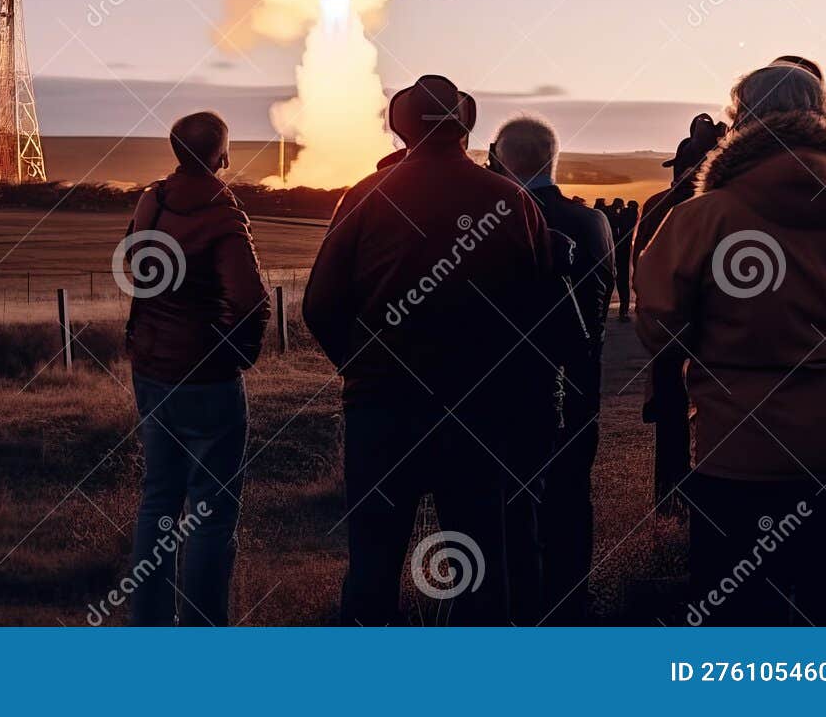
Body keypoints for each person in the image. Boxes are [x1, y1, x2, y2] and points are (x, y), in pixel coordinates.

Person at [634, 65, 826, 625]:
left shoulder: (700, 218)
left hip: (742, 445)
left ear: (739, 123)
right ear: (823, 117)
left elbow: (659, 326)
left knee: (737, 611)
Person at [304, 75, 553, 625]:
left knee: (373, 559)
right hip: (479, 409)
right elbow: (540, 309)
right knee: (480, 560)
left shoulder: (365, 196)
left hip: (383, 408)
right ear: (466, 128)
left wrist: (364, 366)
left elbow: (319, 306)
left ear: (402, 129)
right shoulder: (510, 199)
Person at [122, 110, 270, 626]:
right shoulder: (222, 213)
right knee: (210, 512)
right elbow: (249, 302)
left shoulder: (150, 200)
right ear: (220, 155)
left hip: (151, 368)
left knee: (159, 497)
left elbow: (134, 265)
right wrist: (235, 356)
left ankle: (150, 625)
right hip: (205, 378)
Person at [489, 115, 614, 623]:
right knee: (570, 495)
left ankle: (517, 604)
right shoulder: (591, 222)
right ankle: (568, 601)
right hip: (578, 379)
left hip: (505, 387)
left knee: (509, 505)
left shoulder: (493, 219)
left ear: (501, 159)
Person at [634, 112, 727, 516]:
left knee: (672, 407)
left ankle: (669, 495)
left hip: (671, 325)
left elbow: (642, 271)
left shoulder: (661, 206)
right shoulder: (720, 206)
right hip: (716, 330)